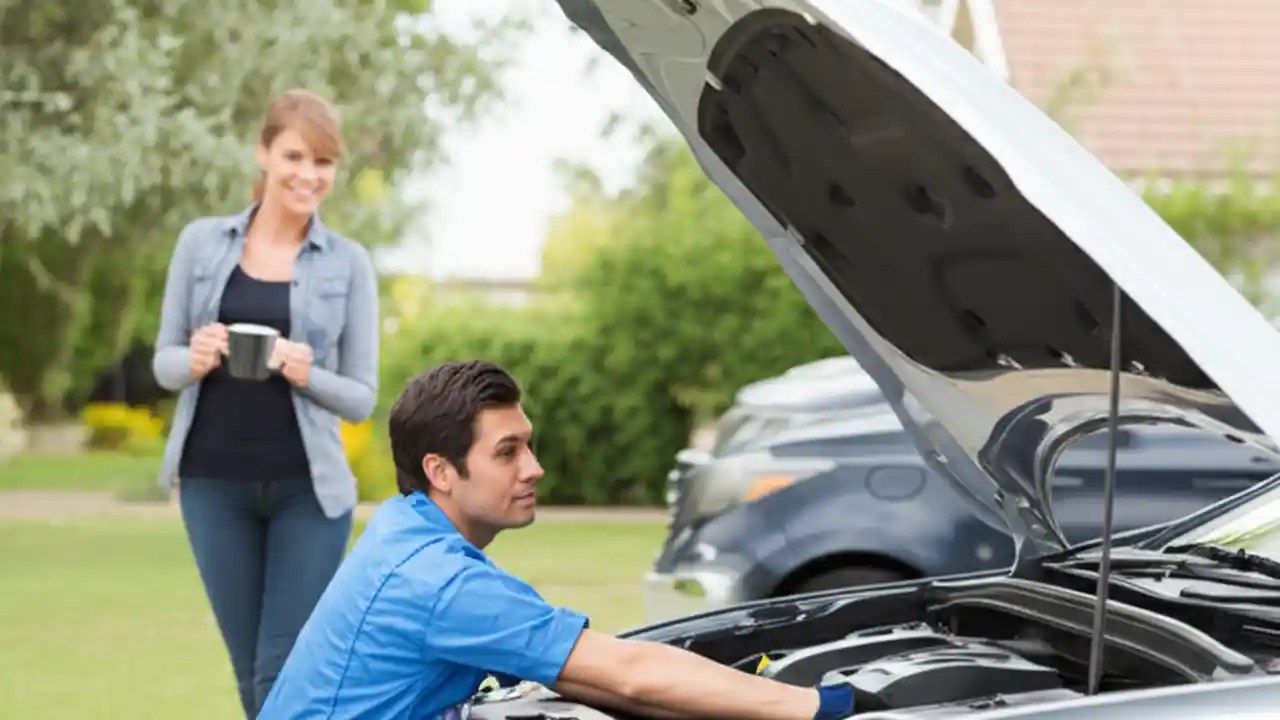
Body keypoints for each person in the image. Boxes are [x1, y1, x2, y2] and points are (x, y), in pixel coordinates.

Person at [259, 360, 859, 720]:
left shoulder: (402, 529)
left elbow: (590, 677)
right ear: (441, 471)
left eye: (528, 444)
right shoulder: (438, 583)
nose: (534, 468)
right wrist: (813, 705)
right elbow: (627, 672)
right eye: (507, 452)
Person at [150, 88, 380, 718]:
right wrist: (193, 356)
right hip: (212, 487)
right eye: (296, 156)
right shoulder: (201, 244)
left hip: (309, 494)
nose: (309, 175)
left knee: (282, 666)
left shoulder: (348, 265)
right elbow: (164, 364)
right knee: (250, 669)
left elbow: (361, 399)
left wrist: (306, 372)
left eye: (324, 163)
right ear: (263, 153)